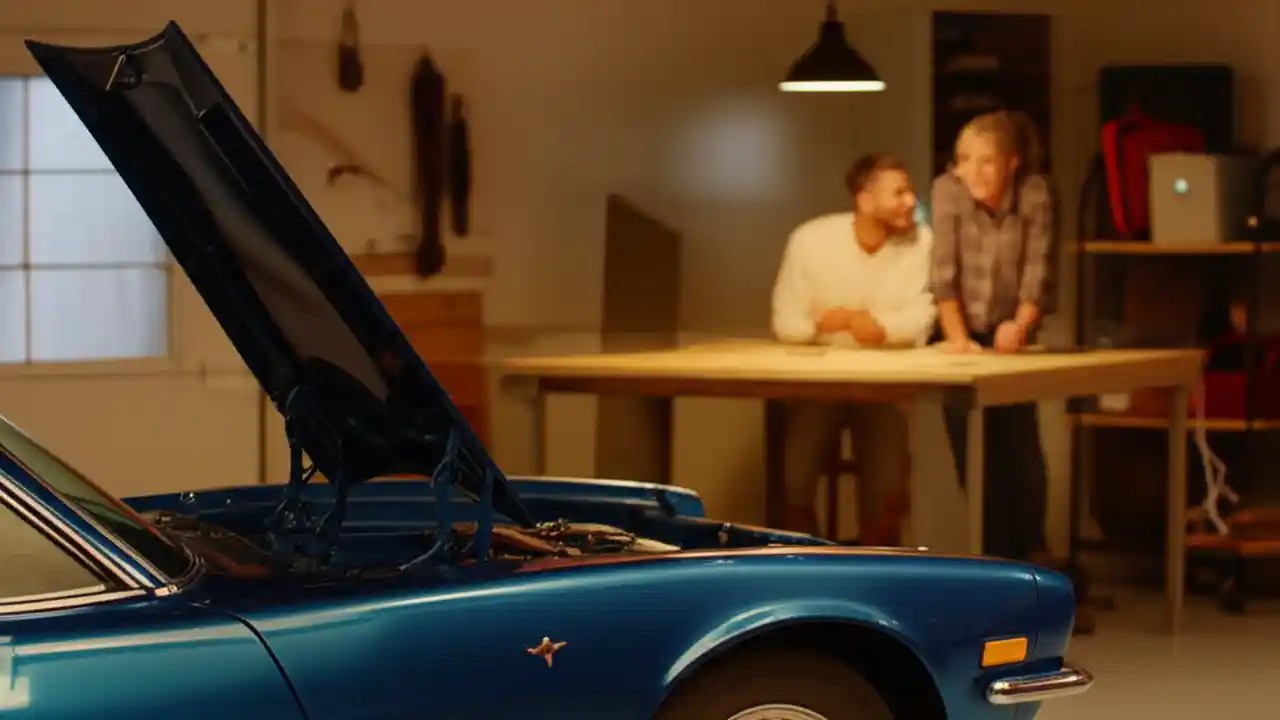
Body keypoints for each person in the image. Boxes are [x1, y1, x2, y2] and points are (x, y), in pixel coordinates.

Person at [771, 153, 936, 542]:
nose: (910, 201)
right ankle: (804, 567)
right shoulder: (811, 240)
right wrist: (822, 324)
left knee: (888, 491)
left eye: (909, 191)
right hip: (818, 380)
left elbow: (922, 318)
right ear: (865, 200)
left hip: (883, 382)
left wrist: (878, 328)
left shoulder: (920, 242)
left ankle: (878, 571)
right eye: (898, 192)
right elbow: (785, 322)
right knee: (794, 481)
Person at [929, 109, 1056, 560]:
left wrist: (1019, 325)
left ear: (1012, 162)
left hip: (1012, 333)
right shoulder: (947, 191)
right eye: (963, 159)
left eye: (986, 161)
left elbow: (1039, 270)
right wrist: (960, 339)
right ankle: (995, 559)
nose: (972, 172)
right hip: (959, 331)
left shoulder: (1035, 195)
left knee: (1019, 448)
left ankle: (1034, 555)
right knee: (974, 452)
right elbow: (943, 273)